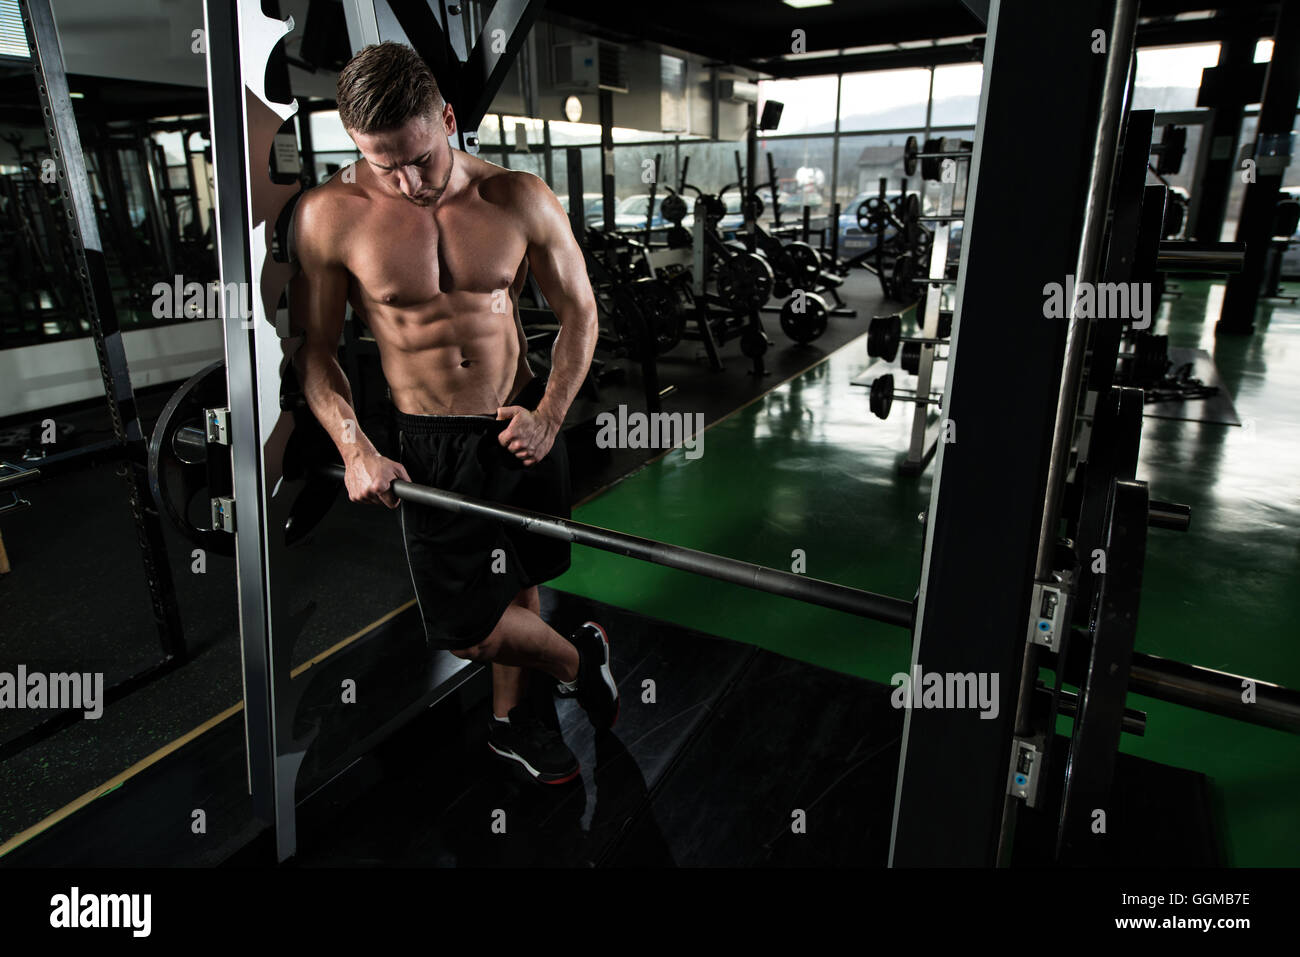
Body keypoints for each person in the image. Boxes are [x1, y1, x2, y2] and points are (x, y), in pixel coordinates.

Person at [291, 41, 617, 785]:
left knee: (519, 584)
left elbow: (581, 311)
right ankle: (578, 659)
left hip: (523, 422)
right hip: (431, 441)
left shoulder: (518, 196)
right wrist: (353, 447)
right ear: (353, 143)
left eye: (420, 158)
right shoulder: (328, 216)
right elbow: (315, 352)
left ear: (447, 117)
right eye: (382, 162)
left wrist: (549, 413)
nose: (406, 181)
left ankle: (514, 723)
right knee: (466, 628)